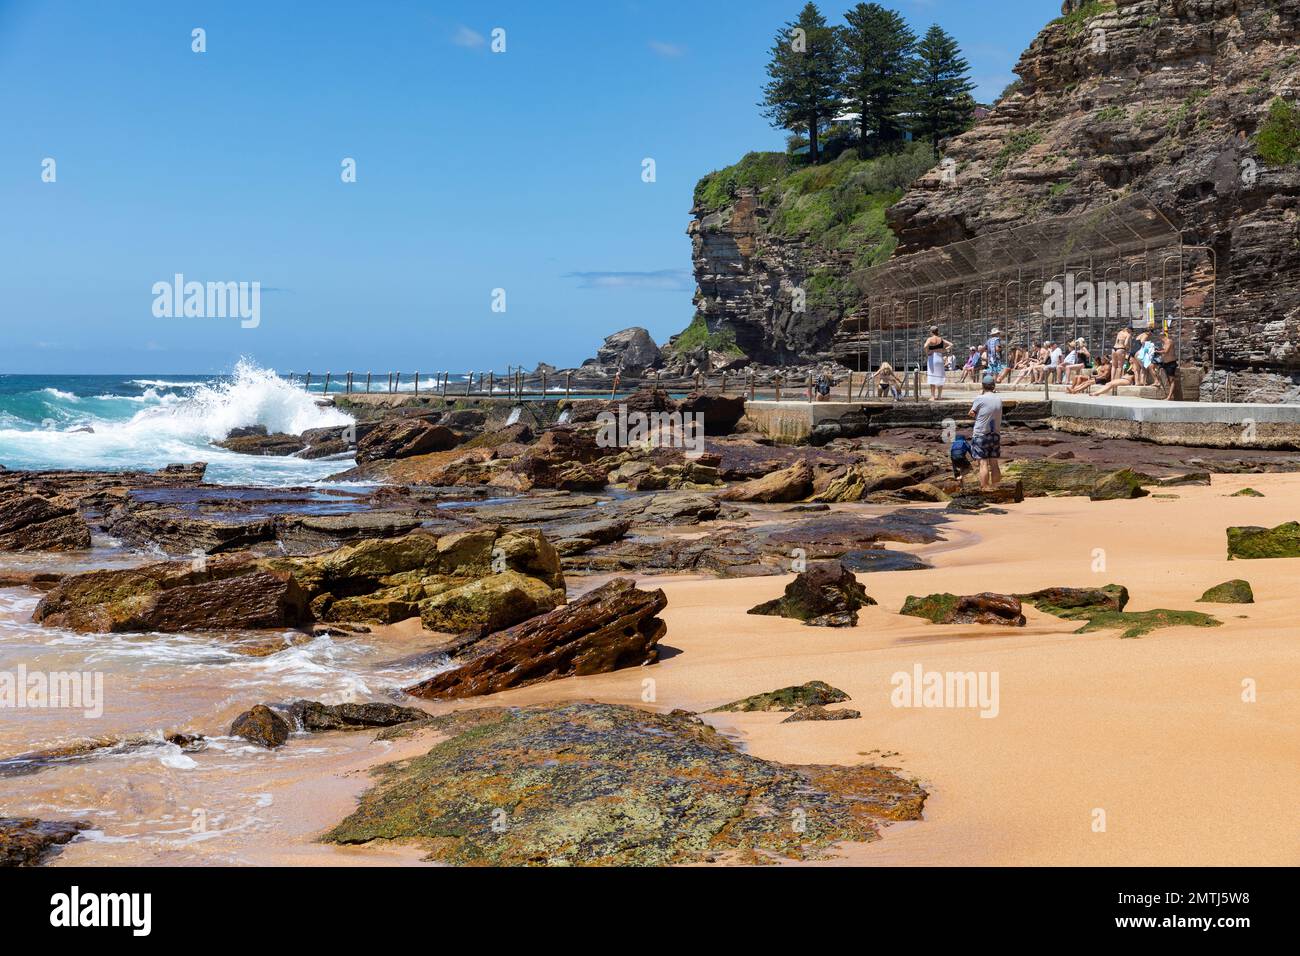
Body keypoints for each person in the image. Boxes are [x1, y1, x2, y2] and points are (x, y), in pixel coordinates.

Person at [969, 374, 1003, 492]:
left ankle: (984, 488)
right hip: (995, 434)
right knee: (994, 463)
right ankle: (997, 488)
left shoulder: (980, 398)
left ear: (983, 386)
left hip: (981, 434)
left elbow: (971, 413)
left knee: (983, 463)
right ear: (993, 386)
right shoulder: (998, 398)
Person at [922, 326, 953, 401]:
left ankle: (933, 396)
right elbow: (951, 345)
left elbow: (925, 346)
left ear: (931, 332)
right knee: (940, 376)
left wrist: (927, 352)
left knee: (932, 376)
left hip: (932, 358)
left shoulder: (930, 339)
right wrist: (944, 350)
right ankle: (939, 396)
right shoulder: (941, 339)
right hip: (939, 358)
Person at [1155, 328, 1179, 400]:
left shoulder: (1169, 341)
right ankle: (1158, 383)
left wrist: (1156, 351)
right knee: (1156, 371)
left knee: (1171, 380)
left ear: (1161, 336)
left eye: (1159, 337)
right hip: (1164, 363)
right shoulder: (1164, 343)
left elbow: (1166, 351)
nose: (1159, 339)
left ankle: (1169, 396)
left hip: (1171, 363)